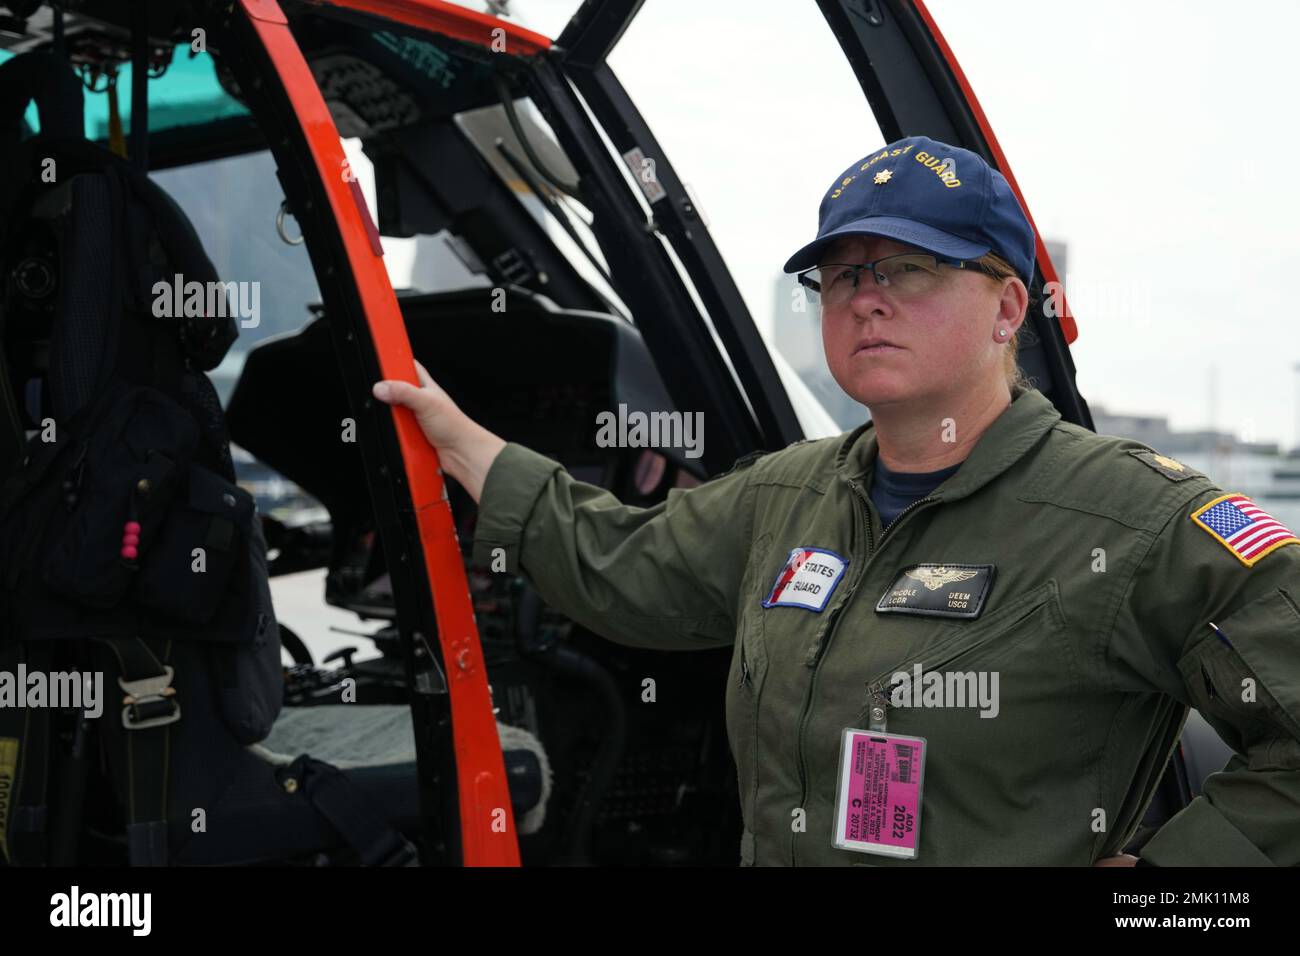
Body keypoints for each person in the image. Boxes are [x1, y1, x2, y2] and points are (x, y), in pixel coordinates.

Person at [372, 135, 1300, 866]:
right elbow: (616, 568)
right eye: (846, 275)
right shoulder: (788, 494)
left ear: (1008, 309)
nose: (867, 300)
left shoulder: (1131, 521)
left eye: (911, 269)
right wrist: (459, 440)